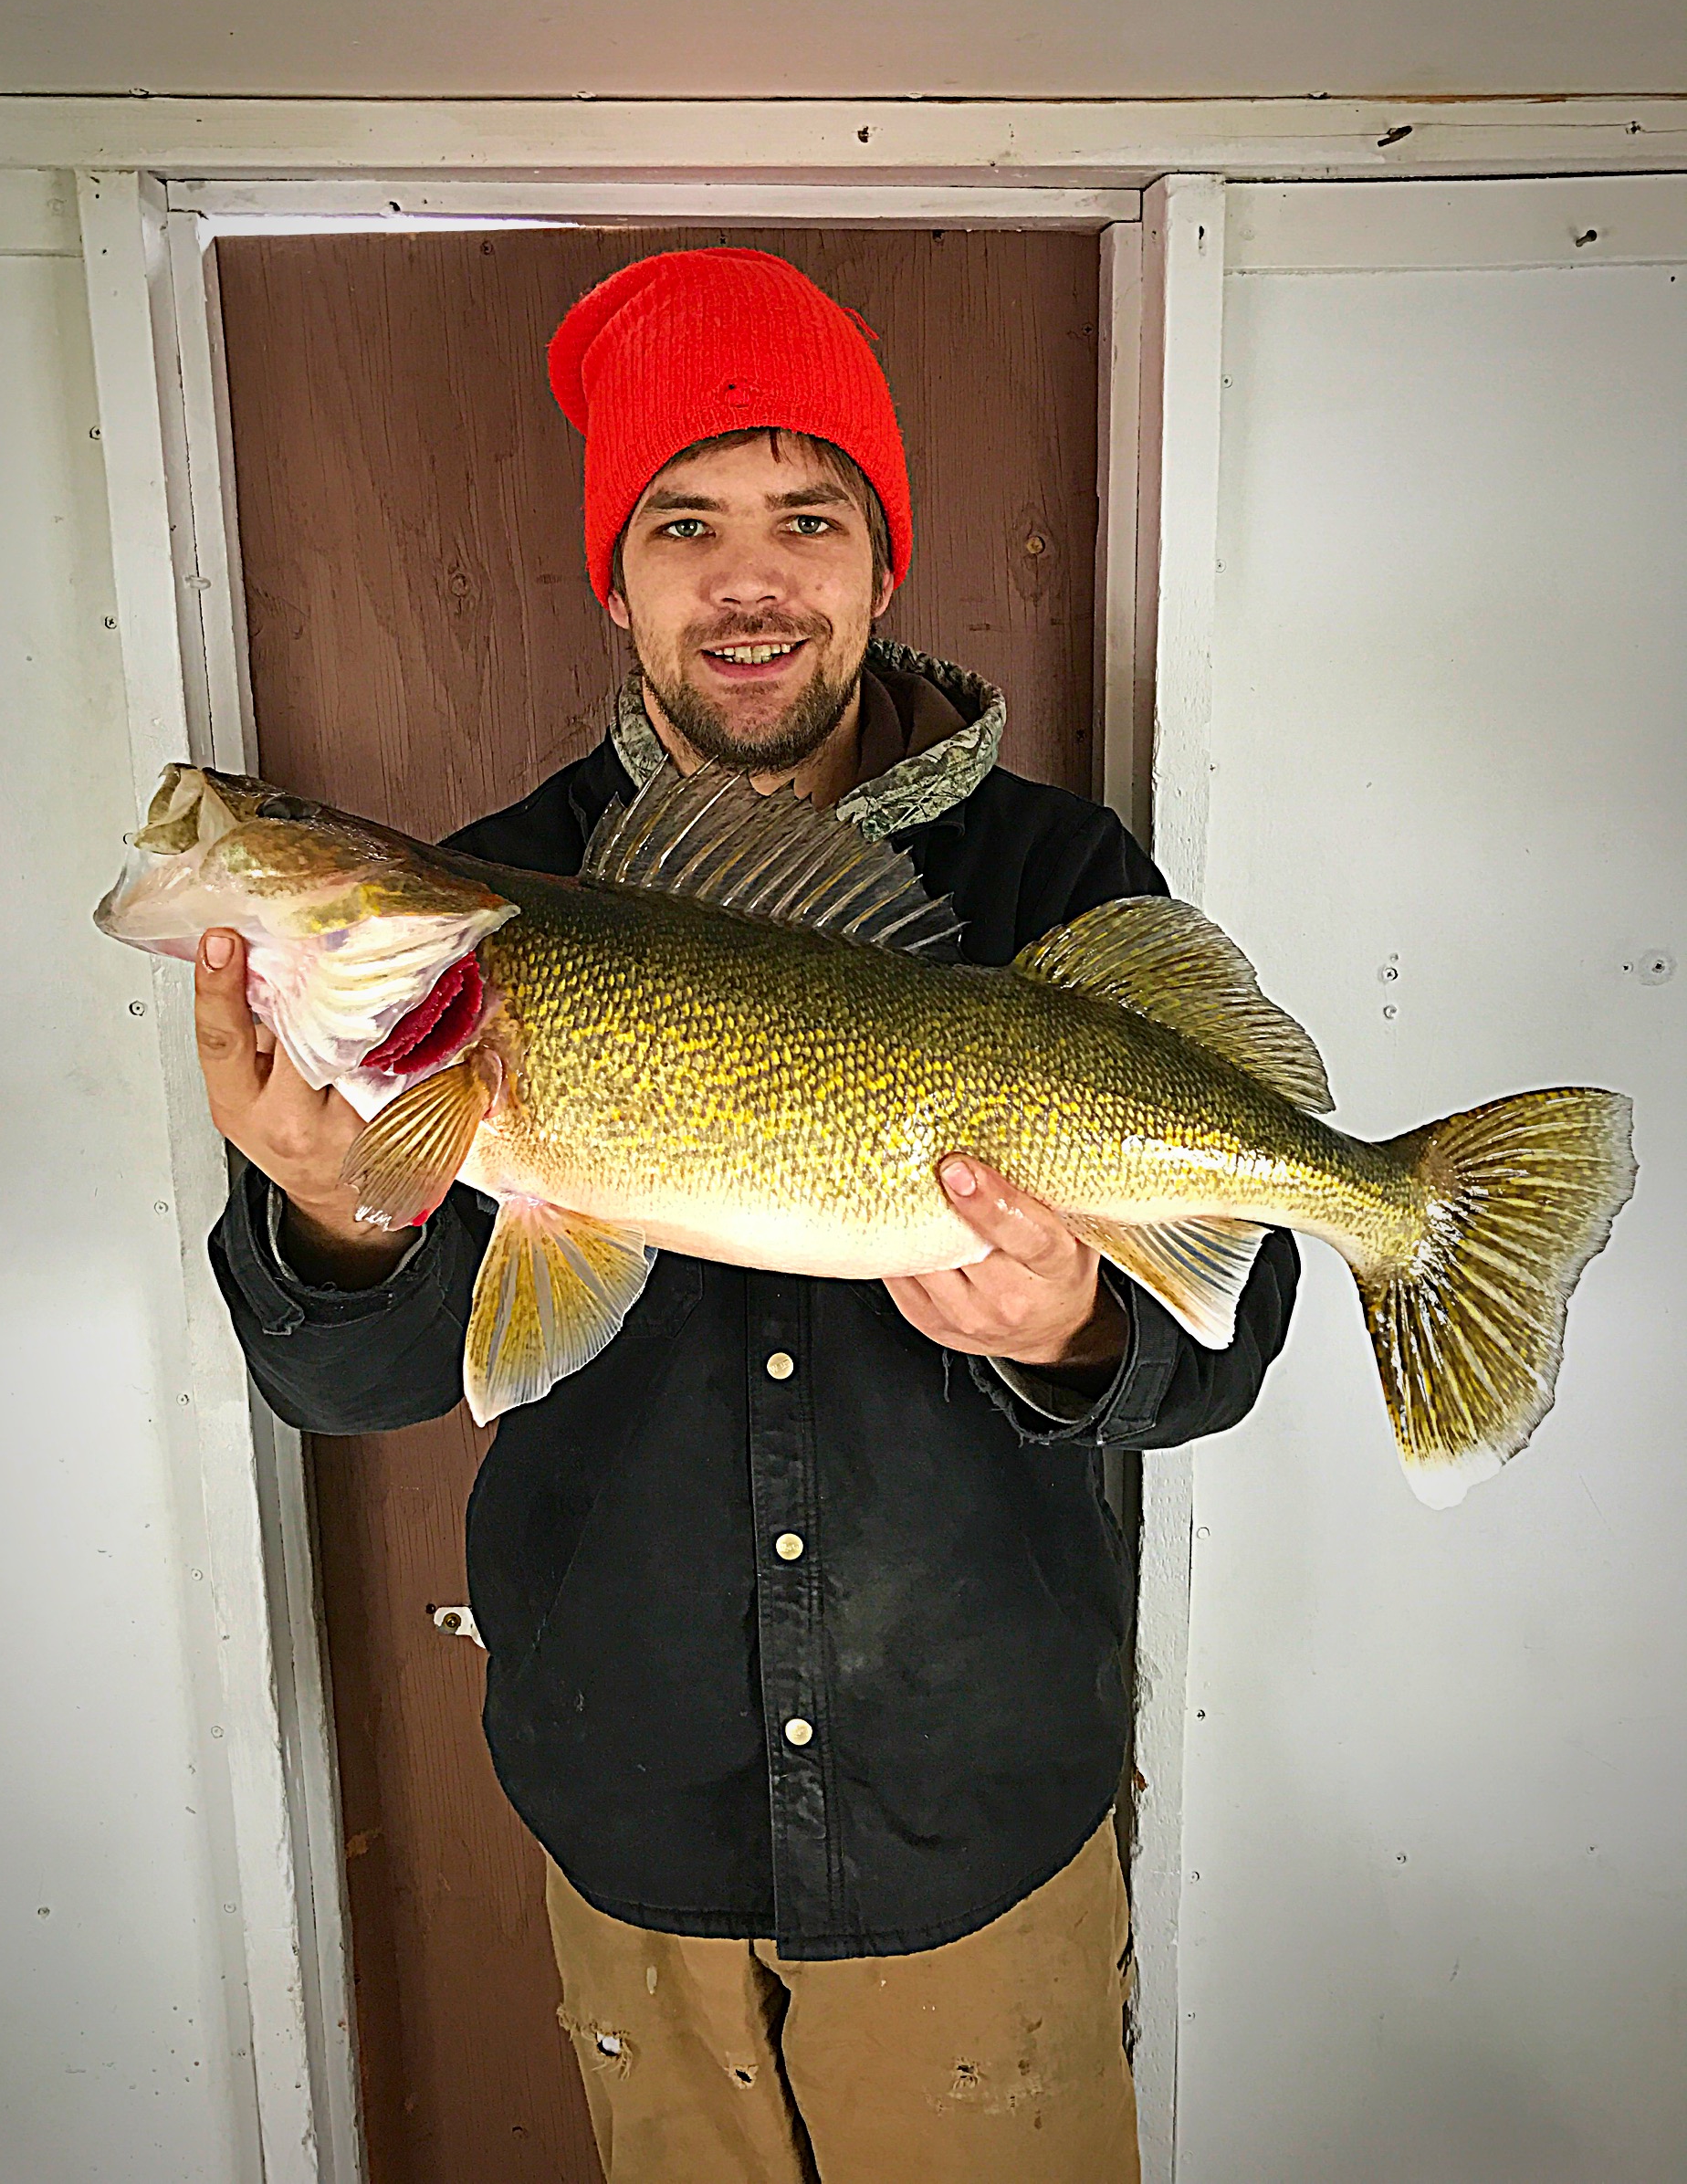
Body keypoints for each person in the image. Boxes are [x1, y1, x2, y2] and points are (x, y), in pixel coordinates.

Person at [198, 247, 1298, 2182]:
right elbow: (361, 1390)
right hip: (635, 1814)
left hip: (973, 1808)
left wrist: (1073, 1328)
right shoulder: (483, 915)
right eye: (681, 520)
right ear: (611, 577)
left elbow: (1229, 1336)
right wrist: (332, 1214)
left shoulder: (1054, 872)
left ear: (882, 561)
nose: (749, 576)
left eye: (808, 514)